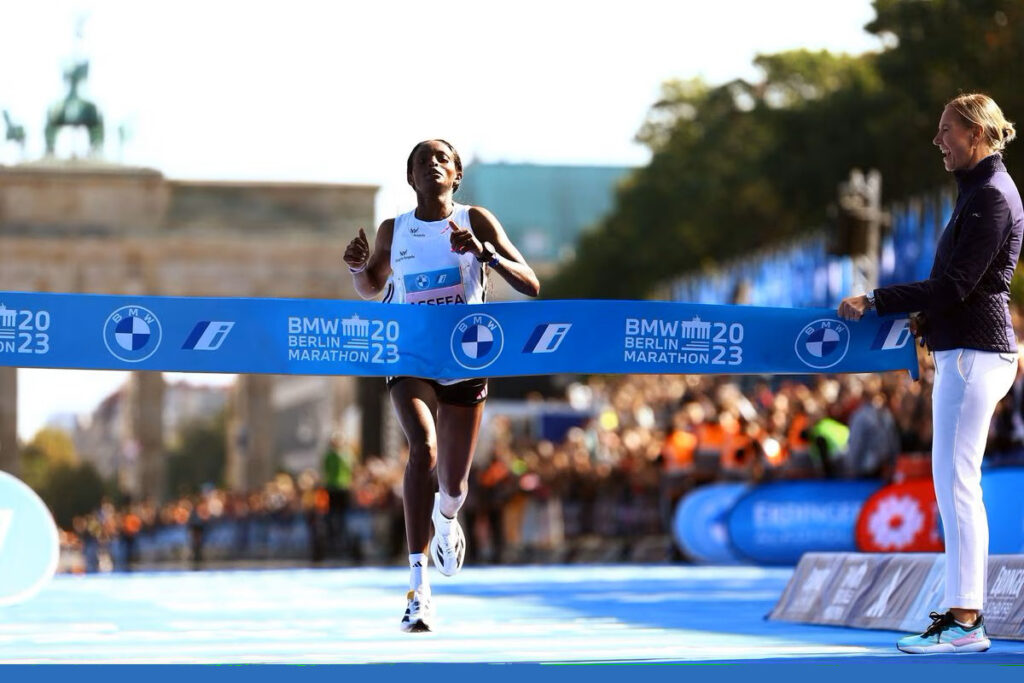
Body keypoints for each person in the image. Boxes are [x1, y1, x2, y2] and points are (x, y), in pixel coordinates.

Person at [839, 93, 1021, 654]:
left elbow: (957, 286)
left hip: (975, 353)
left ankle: (966, 620)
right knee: (953, 483)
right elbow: (956, 288)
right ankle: (965, 615)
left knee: (958, 483)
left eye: (946, 130)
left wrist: (877, 298)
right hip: (966, 350)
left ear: (977, 134)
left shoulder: (990, 196)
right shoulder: (978, 193)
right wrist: (919, 316)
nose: (938, 140)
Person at [344, 139, 540, 632]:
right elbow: (373, 287)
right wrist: (356, 268)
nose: (431, 165)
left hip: (467, 357)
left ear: (455, 176)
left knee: (452, 485)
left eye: (441, 159)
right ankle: (418, 588)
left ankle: (447, 518)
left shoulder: (477, 222)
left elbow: (531, 284)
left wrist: (485, 255)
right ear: (410, 179)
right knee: (422, 450)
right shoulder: (395, 229)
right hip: (410, 355)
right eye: (419, 161)